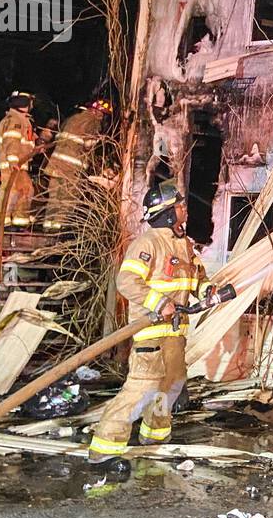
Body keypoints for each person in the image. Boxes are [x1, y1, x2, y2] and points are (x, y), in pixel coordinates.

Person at [87, 180, 212, 479]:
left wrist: (208, 290)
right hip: (151, 334)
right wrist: (159, 303)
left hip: (175, 335)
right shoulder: (147, 244)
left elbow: (196, 278)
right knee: (139, 391)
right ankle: (103, 451)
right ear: (168, 214)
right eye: (179, 206)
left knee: (169, 388)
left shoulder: (184, 244)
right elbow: (127, 282)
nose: (185, 209)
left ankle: (154, 442)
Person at [42, 98, 111, 231]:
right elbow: (87, 145)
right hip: (71, 168)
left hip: (56, 164)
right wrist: (100, 140)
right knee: (69, 199)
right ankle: (59, 229)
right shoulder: (93, 123)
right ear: (100, 113)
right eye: (104, 115)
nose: (103, 119)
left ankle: (48, 227)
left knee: (54, 197)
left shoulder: (73, 118)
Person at [0, 91, 36, 228]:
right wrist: (13, 161)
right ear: (24, 104)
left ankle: (18, 220)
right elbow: (12, 141)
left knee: (24, 190)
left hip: (19, 163)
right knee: (11, 191)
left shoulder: (21, 119)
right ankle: (1, 221)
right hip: (14, 164)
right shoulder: (15, 120)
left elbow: (23, 143)